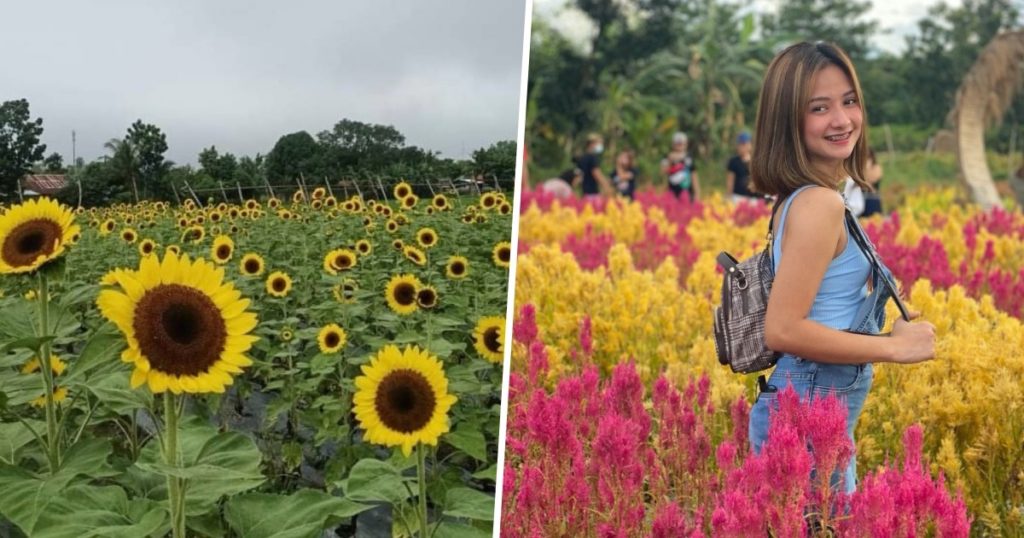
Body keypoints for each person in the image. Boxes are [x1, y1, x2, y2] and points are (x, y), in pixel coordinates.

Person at [746, 42, 936, 495]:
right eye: (819, 108)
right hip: (809, 413)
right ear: (787, 121)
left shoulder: (805, 198)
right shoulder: (818, 204)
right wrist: (892, 347)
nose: (842, 119)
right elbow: (784, 330)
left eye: (849, 101)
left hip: (812, 411)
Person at [662, 132, 699, 201]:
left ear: (686, 144)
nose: (679, 146)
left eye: (681, 144)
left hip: (687, 192)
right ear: (673, 144)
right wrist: (670, 161)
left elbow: (694, 176)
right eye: (677, 144)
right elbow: (663, 172)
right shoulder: (667, 157)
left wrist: (697, 193)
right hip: (672, 192)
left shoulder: (689, 158)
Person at [725, 131, 758, 204]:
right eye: (739, 144)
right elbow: (730, 182)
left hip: (753, 199)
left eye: (744, 144)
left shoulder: (755, 162)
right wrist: (728, 196)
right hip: (737, 198)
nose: (741, 147)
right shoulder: (733, 162)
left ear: (750, 145)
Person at [577, 133, 613, 200]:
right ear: (592, 144)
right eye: (599, 143)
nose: (601, 146)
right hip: (592, 194)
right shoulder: (592, 158)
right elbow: (597, 174)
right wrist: (607, 187)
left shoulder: (583, 158)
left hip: (584, 193)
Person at [861, 148, 884, 217]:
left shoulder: (876, 167)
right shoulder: (859, 168)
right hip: (862, 198)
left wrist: (867, 169)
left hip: (873, 198)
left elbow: (873, 180)